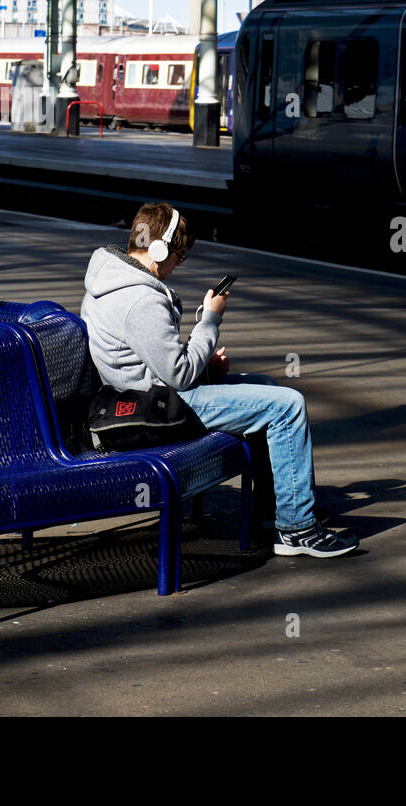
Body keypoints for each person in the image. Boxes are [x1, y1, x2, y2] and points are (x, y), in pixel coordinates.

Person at [80, 202, 358, 558]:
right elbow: (179, 375)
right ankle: (296, 530)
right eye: (179, 257)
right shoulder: (140, 300)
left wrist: (207, 367)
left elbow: (156, 362)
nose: (178, 265)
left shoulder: (114, 279)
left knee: (267, 386)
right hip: (156, 411)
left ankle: (276, 510)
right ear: (160, 249)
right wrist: (210, 321)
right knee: (288, 406)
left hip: (148, 395)